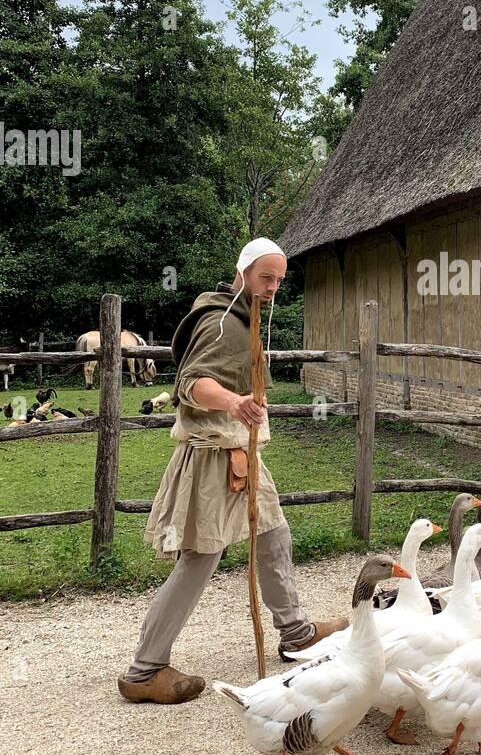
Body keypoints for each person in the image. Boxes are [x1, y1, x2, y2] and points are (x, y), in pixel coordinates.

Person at [118, 238, 346, 705]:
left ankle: (296, 633)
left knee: (273, 535)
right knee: (201, 559)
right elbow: (191, 383)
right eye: (266, 277)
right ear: (242, 272)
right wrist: (234, 401)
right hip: (214, 458)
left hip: (243, 453)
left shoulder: (242, 317)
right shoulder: (224, 325)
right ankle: (145, 669)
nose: (273, 288)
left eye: (280, 280)